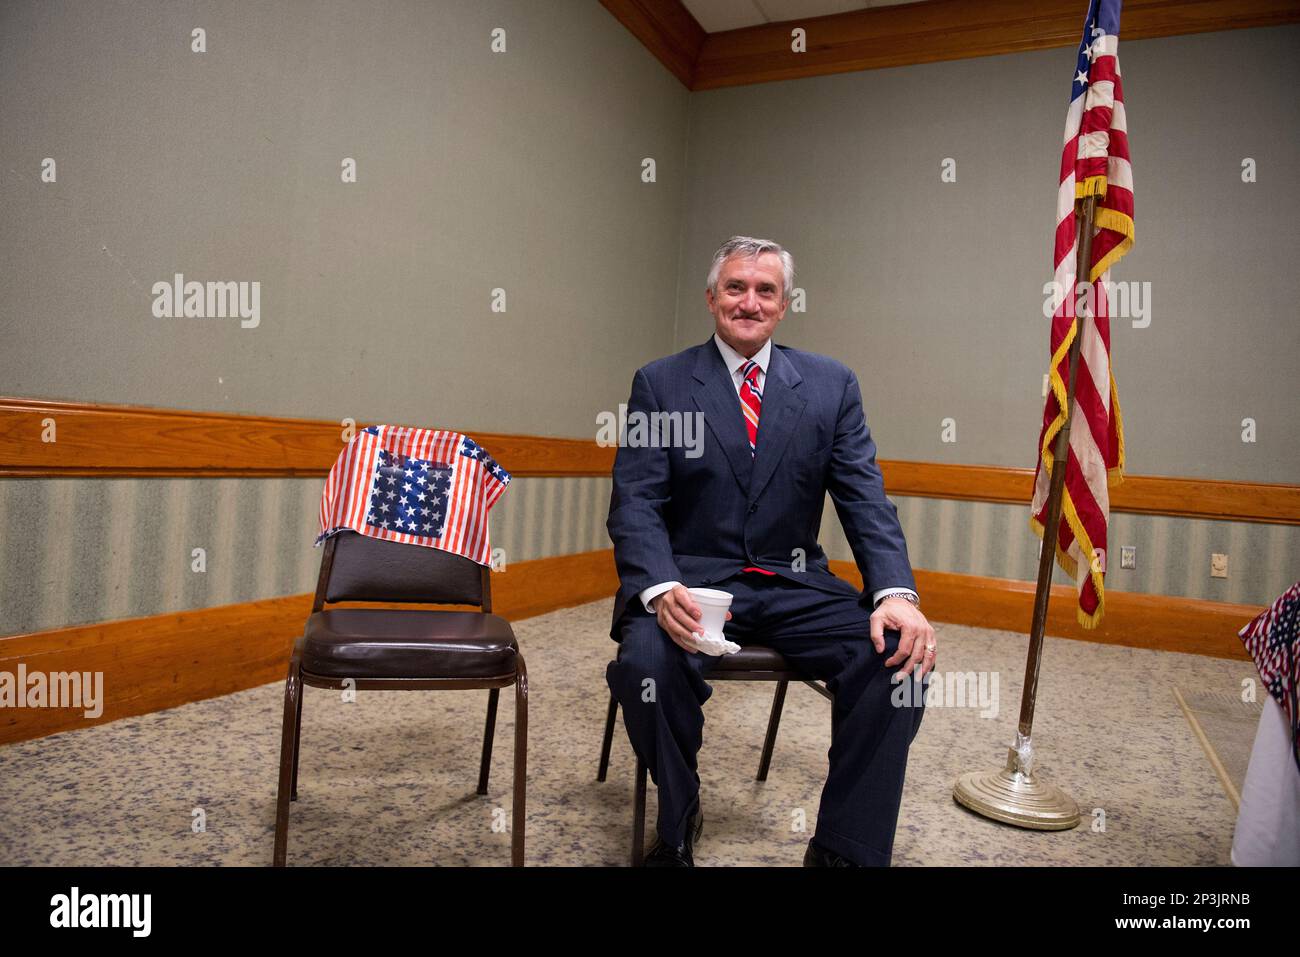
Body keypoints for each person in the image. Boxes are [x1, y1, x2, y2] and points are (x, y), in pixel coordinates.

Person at [605, 235, 936, 867]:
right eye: (736, 288)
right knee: (644, 666)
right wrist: (656, 587)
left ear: (784, 305)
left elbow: (865, 498)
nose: (749, 302)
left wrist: (896, 594)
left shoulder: (830, 385)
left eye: (765, 291)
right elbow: (637, 502)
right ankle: (678, 822)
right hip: (691, 585)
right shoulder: (662, 382)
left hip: (794, 581)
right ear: (712, 298)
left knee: (899, 659)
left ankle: (845, 850)